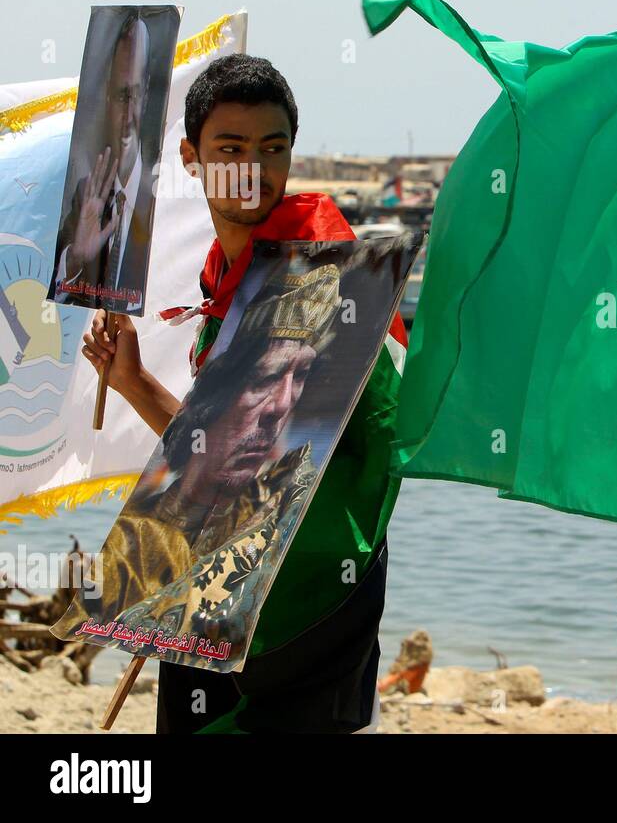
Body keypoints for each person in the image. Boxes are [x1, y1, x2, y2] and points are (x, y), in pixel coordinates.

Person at [80, 54, 406, 733]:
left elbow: (265, 467)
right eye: (230, 148)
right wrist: (134, 382)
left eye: (272, 148)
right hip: (219, 589)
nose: (253, 168)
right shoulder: (227, 280)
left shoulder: (317, 274)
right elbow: (227, 453)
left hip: (303, 605)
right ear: (190, 157)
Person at [54, 11, 151, 312]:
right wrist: (76, 260)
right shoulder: (85, 196)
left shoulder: (165, 193)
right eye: (122, 97)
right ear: (108, 98)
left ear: (147, 95)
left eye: (136, 95)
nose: (128, 115)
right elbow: (54, 307)